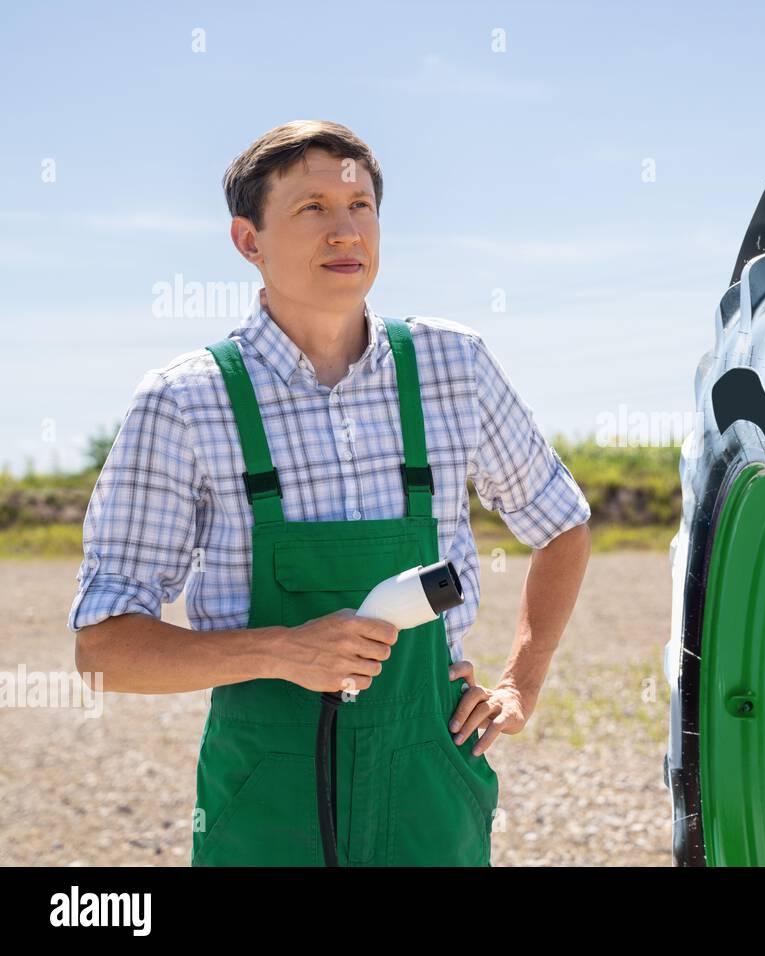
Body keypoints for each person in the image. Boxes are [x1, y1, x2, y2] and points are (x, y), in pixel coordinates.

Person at [67, 119, 592, 866]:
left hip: (428, 779)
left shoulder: (454, 366)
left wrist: (520, 685)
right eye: (313, 208)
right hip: (267, 790)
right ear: (248, 242)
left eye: (362, 207)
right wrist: (284, 651)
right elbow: (103, 649)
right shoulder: (185, 402)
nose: (346, 232)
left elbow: (563, 527)